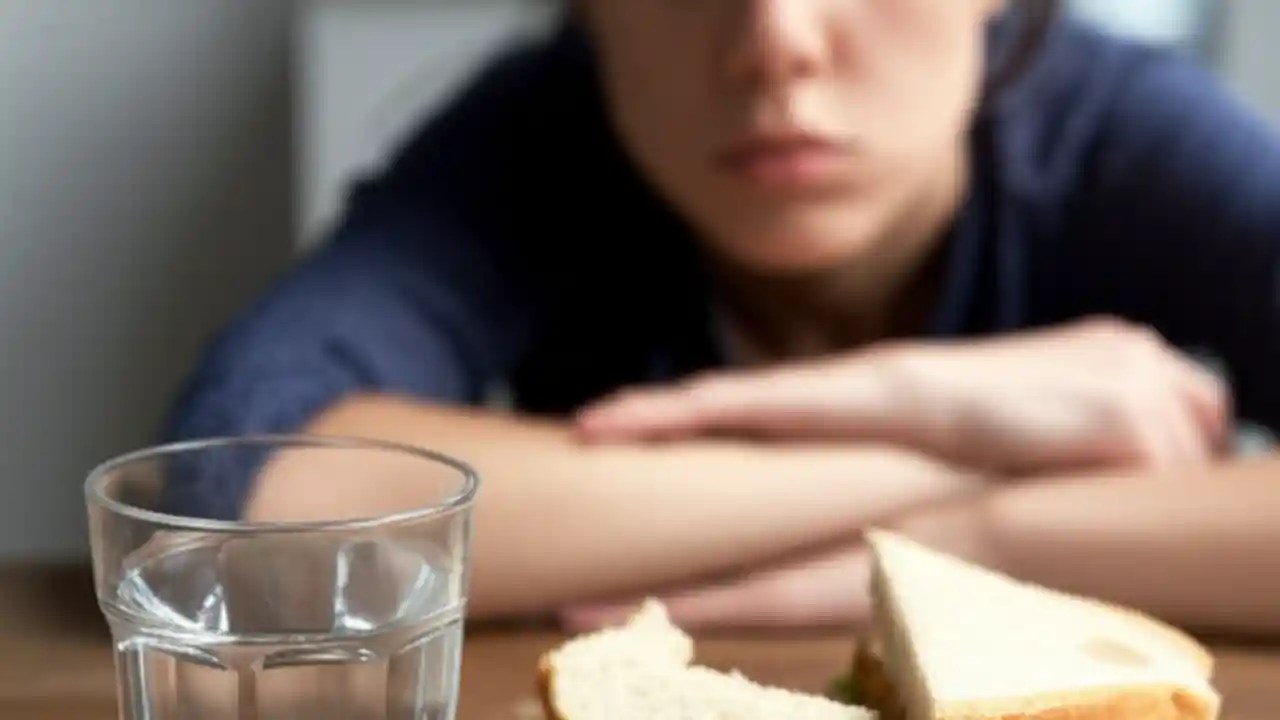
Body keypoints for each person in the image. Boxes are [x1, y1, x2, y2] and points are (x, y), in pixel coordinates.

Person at [168, 0, 1280, 634]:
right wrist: (941, 435)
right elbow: (263, 500)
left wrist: (984, 539)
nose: (776, 40)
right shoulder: (540, 140)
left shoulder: (1118, 136)